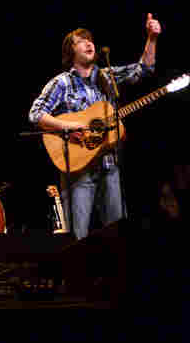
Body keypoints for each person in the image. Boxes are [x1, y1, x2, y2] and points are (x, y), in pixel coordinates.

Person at [28, 14, 161, 239]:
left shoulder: (105, 77)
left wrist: (152, 38)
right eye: (81, 41)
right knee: (77, 238)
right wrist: (68, 126)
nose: (89, 43)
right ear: (71, 52)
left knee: (118, 234)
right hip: (78, 170)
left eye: (90, 39)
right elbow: (35, 114)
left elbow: (143, 70)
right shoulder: (62, 82)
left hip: (110, 165)